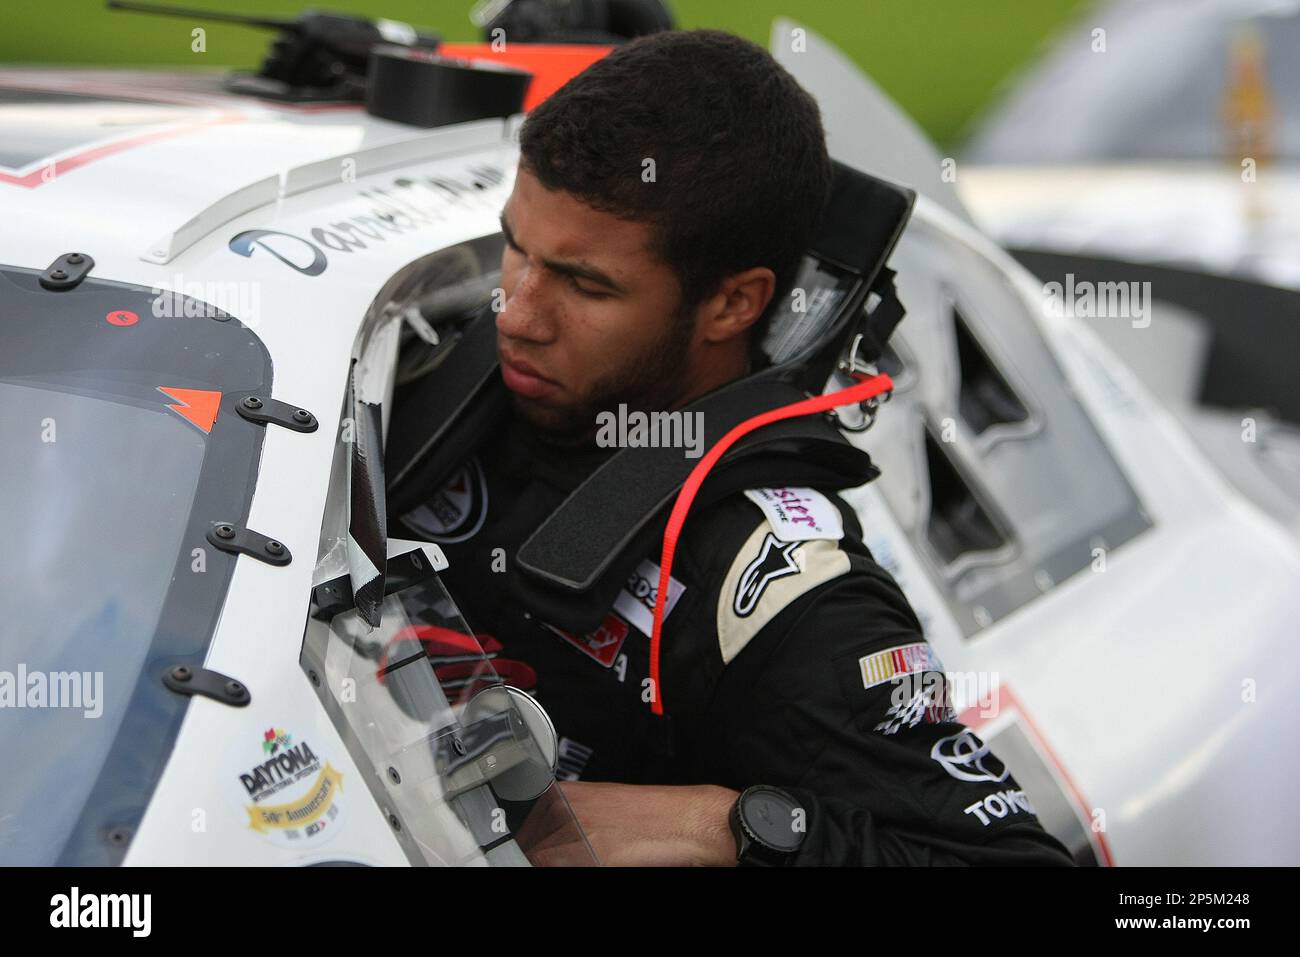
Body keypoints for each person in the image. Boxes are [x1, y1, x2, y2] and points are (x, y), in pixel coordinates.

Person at [395, 29, 1075, 866]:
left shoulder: (772, 589)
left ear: (732, 305)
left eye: (586, 284)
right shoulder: (414, 370)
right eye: (517, 250)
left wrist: (716, 827)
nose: (520, 315)